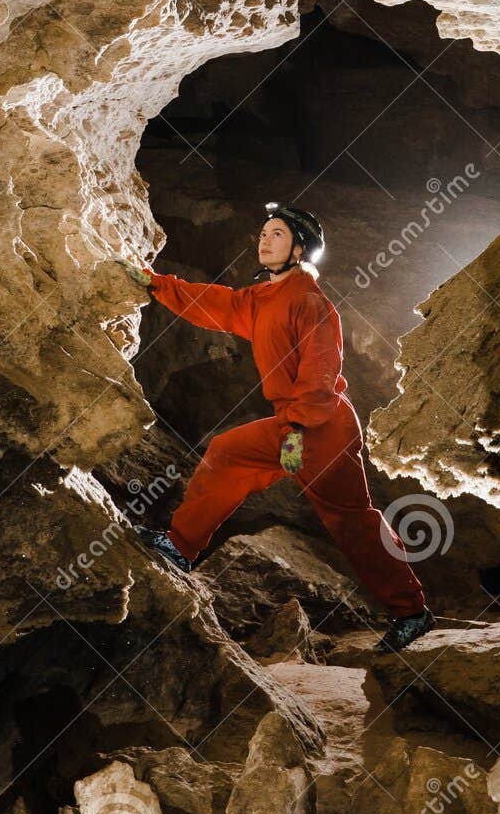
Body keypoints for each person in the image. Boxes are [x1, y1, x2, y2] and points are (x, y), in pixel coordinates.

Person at [112, 202, 435, 652]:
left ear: (300, 250)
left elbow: (320, 375)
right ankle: (179, 547)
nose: (265, 240)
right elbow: (215, 304)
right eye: (264, 233)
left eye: (278, 234)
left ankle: (412, 612)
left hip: (322, 429)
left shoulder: (310, 303)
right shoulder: (260, 299)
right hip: (291, 424)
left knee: (352, 522)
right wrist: (156, 283)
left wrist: (297, 432)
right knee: (227, 452)